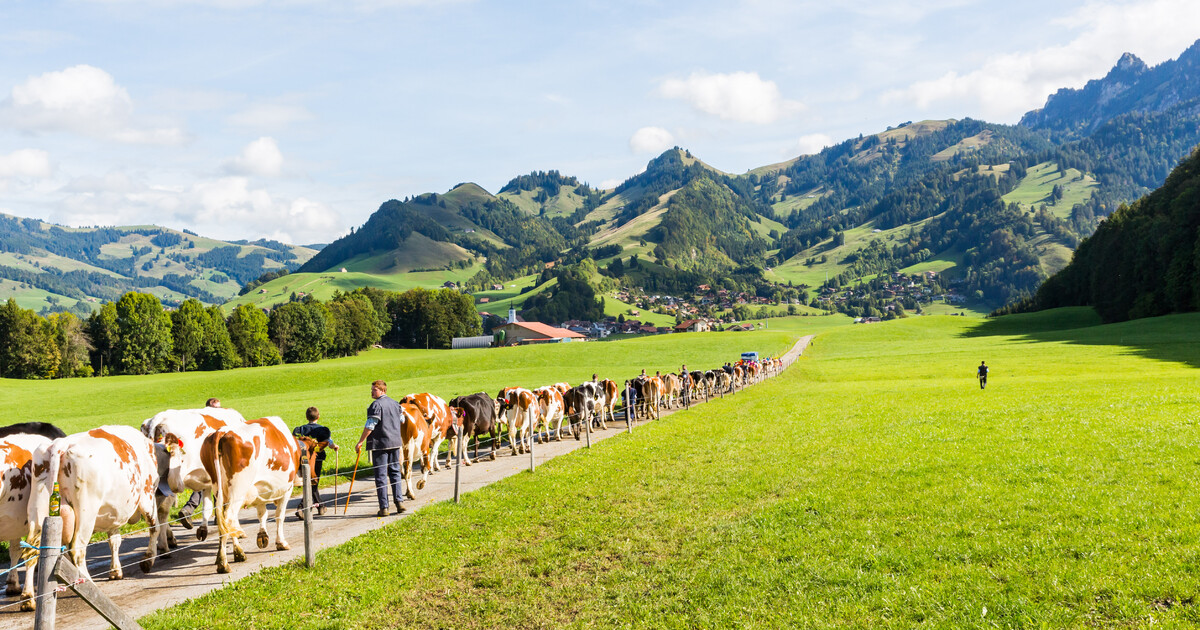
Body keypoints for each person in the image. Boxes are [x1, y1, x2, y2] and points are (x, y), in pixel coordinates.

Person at [356, 380, 406, 516]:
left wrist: (360, 441)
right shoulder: (396, 404)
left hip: (380, 444)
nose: (372, 392)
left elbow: (370, 426)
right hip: (395, 443)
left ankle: (384, 507)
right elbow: (402, 420)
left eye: (374, 390)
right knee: (395, 472)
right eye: (372, 389)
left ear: (383, 390)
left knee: (381, 476)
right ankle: (399, 502)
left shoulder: (376, 405)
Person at [179, 396, 223, 526]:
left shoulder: (217, 422)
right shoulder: (204, 424)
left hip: (212, 458)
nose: (218, 411)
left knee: (208, 485)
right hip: (204, 458)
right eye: (215, 408)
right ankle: (218, 515)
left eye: (219, 408)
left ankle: (189, 509)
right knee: (209, 484)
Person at [293, 407, 339, 518]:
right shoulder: (323, 430)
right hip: (317, 459)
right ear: (318, 417)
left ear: (306, 417)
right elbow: (328, 442)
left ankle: (320, 506)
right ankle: (302, 507)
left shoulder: (300, 430)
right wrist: (334, 447)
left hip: (302, 459)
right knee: (313, 481)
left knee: (311, 481)